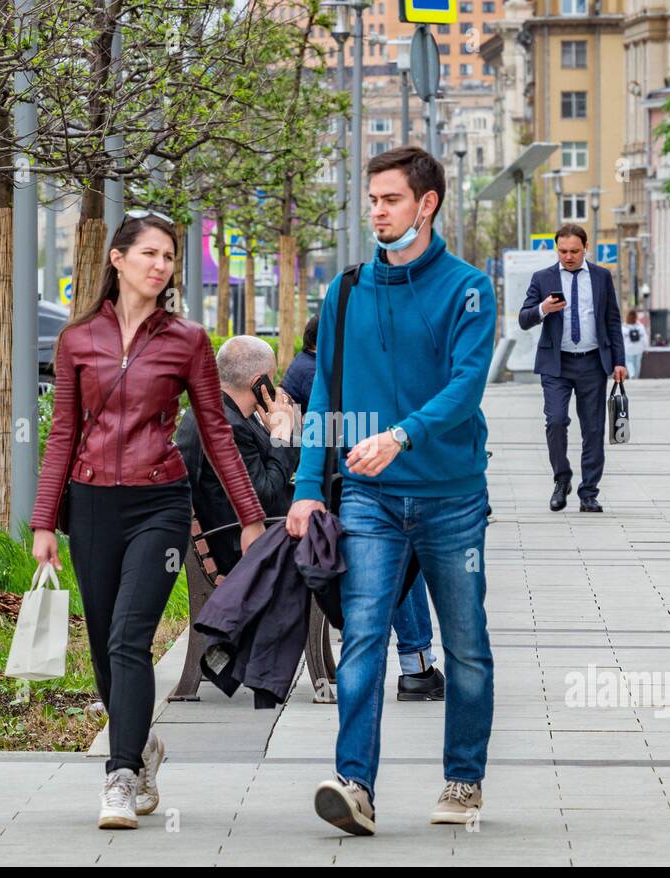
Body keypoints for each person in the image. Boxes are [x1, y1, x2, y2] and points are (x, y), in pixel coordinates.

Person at [29, 211, 267, 831]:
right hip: (91, 506)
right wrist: (43, 522)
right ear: (118, 258)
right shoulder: (77, 339)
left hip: (160, 503)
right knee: (108, 650)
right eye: (150, 254)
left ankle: (120, 775)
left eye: (170, 257)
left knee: (130, 638)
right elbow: (62, 434)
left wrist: (249, 516)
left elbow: (216, 432)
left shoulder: (187, 340)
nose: (161, 266)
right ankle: (144, 745)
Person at [285, 145, 496, 835]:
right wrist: (309, 486)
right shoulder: (346, 292)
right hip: (370, 500)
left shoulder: (469, 288)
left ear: (426, 204)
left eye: (391, 199)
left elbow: (466, 386)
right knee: (365, 638)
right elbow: (324, 392)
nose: (377, 210)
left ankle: (463, 780)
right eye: (372, 199)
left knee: (464, 645)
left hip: (451, 498)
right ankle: (355, 785)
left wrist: (401, 435)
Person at [272, 319, 448, 700]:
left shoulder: (316, 370)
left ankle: (412, 662)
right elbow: (296, 434)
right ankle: (415, 664)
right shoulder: (327, 372)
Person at [518, 223, 627, 513]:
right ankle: (561, 479)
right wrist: (543, 309)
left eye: (575, 251)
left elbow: (612, 321)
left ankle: (588, 492)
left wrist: (619, 361)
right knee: (555, 421)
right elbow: (524, 318)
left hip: (593, 361)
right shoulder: (542, 278)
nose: (568, 257)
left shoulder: (602, 277)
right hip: (557, 364)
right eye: (563, 251)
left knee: (593, 430)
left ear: (585, 248)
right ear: (557, 249)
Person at [173, 335, 299, 573]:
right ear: (260, 383)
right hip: (245, 547)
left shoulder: (221, 413)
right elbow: (264, 497)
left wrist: (287, 432)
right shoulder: (229, 426)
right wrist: (283, 437)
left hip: (245, 534)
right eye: (272, 379)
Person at [621, 310, 648, 379]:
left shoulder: (624, 326)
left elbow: (621, 338)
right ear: (636, 317)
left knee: (629, 362)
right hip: (639, 347)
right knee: (637, 363)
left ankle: (631, 374)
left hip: (628, 348)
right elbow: (644, 337)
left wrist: (621, 348)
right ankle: (636, 376)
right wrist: (646, 348)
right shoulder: (640, 326)